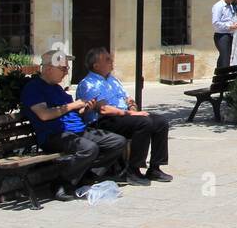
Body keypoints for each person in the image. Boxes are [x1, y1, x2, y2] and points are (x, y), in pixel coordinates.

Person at [20, 52, 126, 200]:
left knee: (117, 142)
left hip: (77, 130)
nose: (66, 73)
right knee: (89, 149)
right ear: (49, 68)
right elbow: (44, 115)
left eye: (67, 69)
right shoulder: (34, 88)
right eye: (63, 69)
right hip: (54, 135)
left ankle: (86, 176)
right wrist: (73, 105)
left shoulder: (57, 88)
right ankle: (61, 184)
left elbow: (75, 113)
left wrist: (86, 108)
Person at [77, 47, 172, 184]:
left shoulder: (113, 80)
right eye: (107, 59)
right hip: (103, 121)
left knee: (160, 121)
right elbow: (103, 109)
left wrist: (132, 107)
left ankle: (155, 168)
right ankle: (133, 170)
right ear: (96, 65)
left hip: (123, 116)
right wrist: (131, 113)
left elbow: (128, 99)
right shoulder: (88, 83)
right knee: (144, 123)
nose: (112, 61)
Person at [211, 0, 237, 69]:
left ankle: (220, 77)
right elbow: (215, 23)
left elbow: (230, 18)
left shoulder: (230, 6)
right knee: (225, 58)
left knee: (225, 58)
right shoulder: (218, 6)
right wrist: (230, 26)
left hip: (229, 35)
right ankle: (223, 78)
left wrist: (235, 24)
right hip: (221, 36)